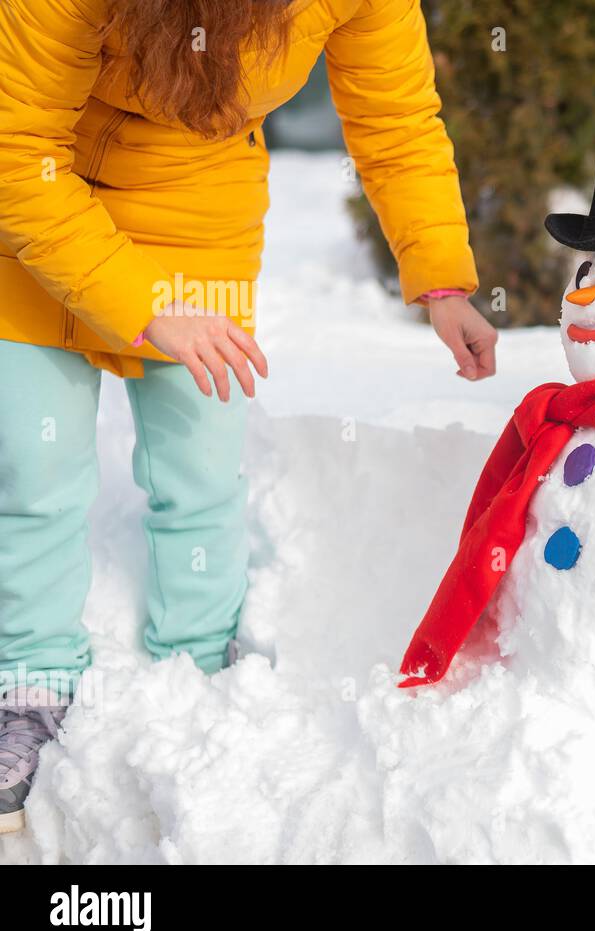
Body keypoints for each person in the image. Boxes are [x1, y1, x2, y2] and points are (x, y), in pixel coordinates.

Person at [0, 0, 497, 833]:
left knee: (198, 473)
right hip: (44, 216)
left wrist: (441, 280)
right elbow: (14, 155)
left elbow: (397, 121)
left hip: (203, 219)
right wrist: (143, 305)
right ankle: (30, 687)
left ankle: (196, 668)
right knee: (34, 475)